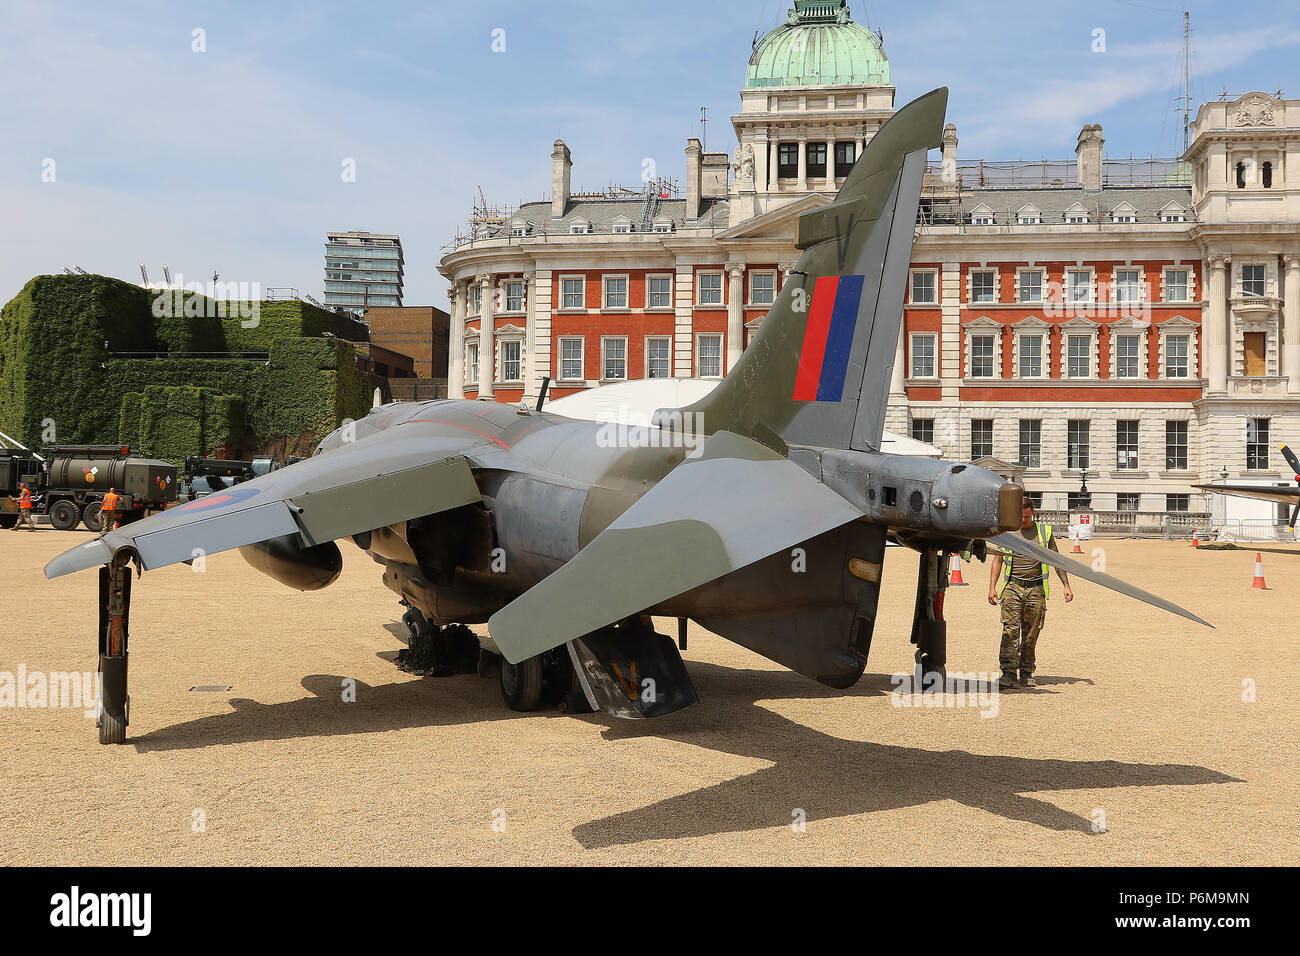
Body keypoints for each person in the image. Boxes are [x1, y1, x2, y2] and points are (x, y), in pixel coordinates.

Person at [987, 498, 1073, 688]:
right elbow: (997, 561)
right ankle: (1008, 672)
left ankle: (1026, 671)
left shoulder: (1044, 532)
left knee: (1032, 631)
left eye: (1026, 517)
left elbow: (1056, 560)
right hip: (1012, 587)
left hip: (1036, 588)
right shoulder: (1007, 531)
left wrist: (1066, 585)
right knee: (1010, 629)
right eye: (1020, 517)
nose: (1023, 520)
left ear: (1033, 513)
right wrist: (992, 587)